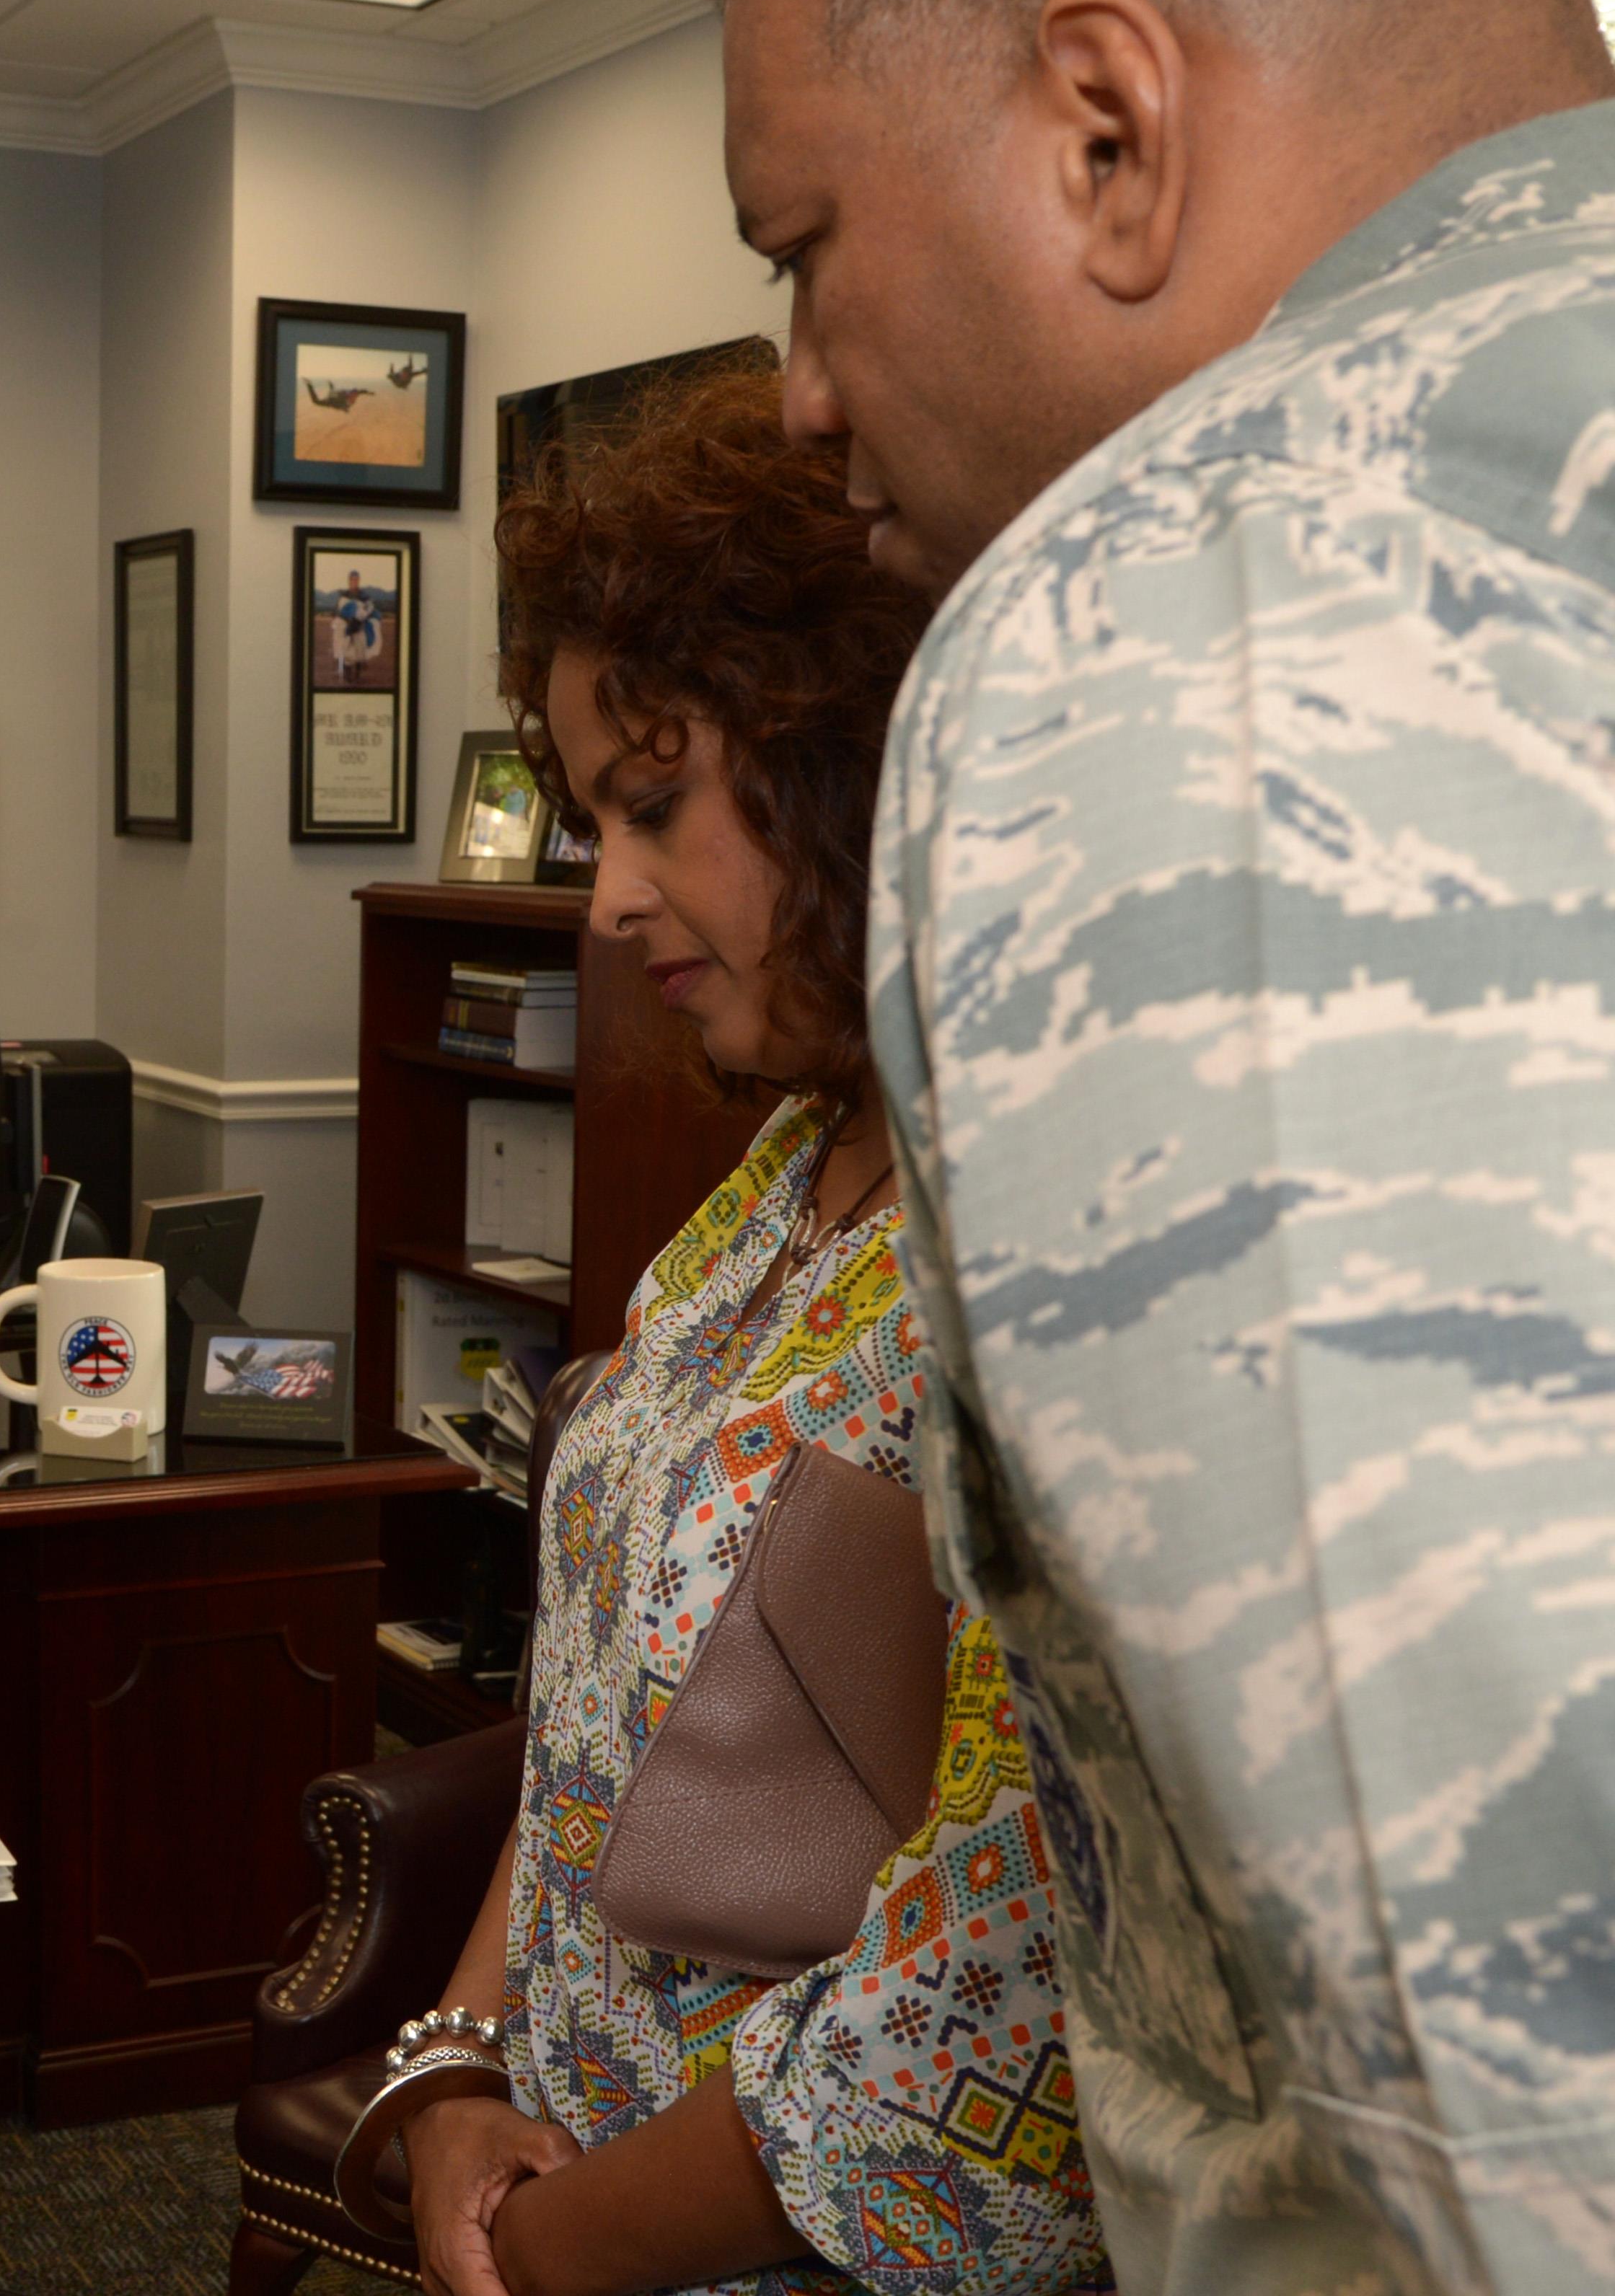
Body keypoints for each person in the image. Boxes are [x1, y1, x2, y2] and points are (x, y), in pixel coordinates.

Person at [707, 0, 1615, 2285]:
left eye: (802, 249)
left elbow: (1508, 2071)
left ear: (1108, 132)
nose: (800, 394)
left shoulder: (1195, 622)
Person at [395, 368, 1106, 2296]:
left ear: (860, 757)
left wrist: (549, 2253)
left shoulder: (1045, 1242)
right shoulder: (779, 1178)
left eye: (655, 808)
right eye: (591, 824)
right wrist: (455, 2069)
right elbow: (590, 1734)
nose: (610, 901)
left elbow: (983, 2021)